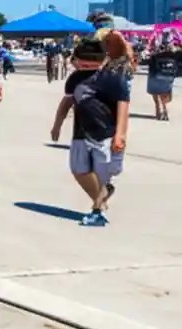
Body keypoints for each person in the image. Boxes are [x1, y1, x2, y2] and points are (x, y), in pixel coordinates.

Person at [50, 37, 129, 227]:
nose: (80, 64)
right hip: (80, 132)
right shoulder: (75, 79)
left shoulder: (112, 78)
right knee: (78, 169)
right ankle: (101, 199)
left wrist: (120, 133)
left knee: (102, 174)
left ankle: (97, 210)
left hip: (105, 134)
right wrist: (57, 124)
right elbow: (66, 103)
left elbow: (123, 106)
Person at [146, 34, 177, 121]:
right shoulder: (173, 52)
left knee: (155, 91)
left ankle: (158, 109)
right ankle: (164, 108)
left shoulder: (155, 41)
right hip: (168, 75)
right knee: (164, 92)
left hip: (155, 73)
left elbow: (149, 60)